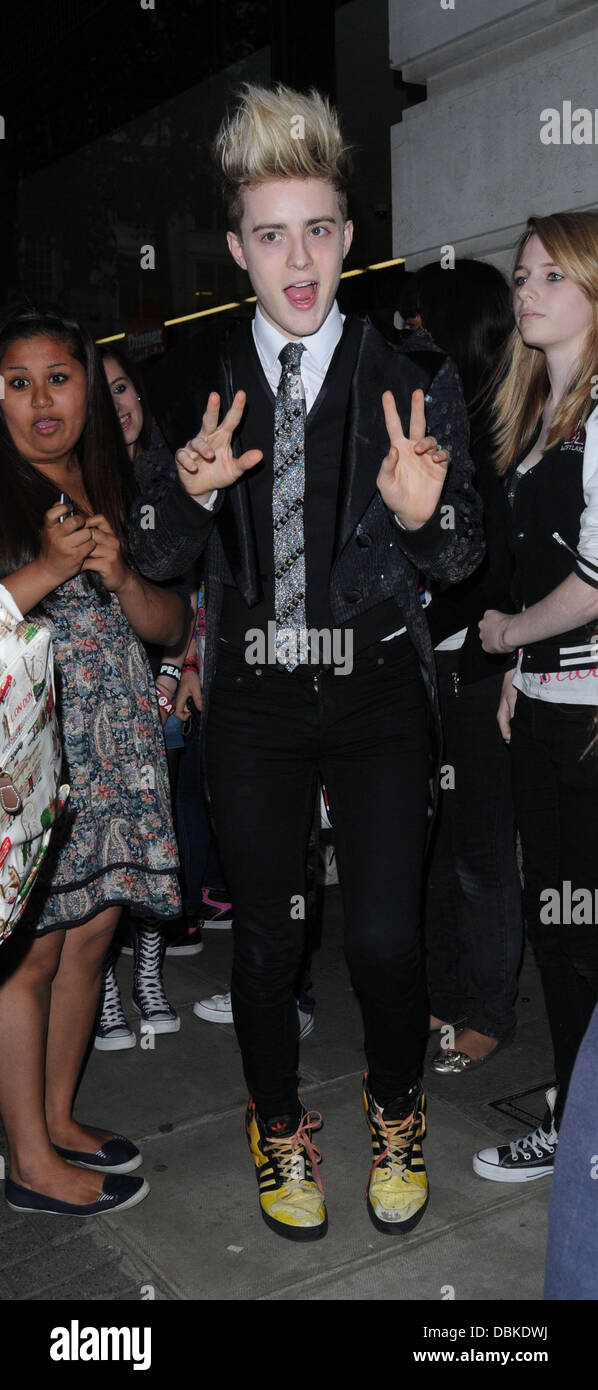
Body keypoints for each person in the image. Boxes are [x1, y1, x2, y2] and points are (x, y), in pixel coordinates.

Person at [129, 83, 484, 1242]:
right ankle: (276, 1126)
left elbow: (460, 551)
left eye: (318, 229)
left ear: (346, 237)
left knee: (383, 936)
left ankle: (395, 1112)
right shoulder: (194, 376)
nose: (298, 258)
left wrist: (428, 521)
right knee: (272, 940)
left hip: (379, 687)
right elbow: (157, 558)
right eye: (270, 233)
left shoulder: (411, 369)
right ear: (236, 247)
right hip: (257, 701)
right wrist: (183, 497)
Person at [0, 303, 186, 1217]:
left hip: (116, 763)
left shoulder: (119, 485)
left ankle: (56, 1117)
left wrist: (119, 576)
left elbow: (170, 627)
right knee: (28, 959)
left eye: (59, 378)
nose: (41, 400)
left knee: (91, 941)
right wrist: (42, 568)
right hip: (30, 771)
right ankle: (29, 1163)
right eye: (18, 382)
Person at [472, 210, 598, 1181]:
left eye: (550, 276)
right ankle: (577, 1113)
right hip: (552, 708)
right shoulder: (535, 421)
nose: (526, 291)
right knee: (560, 926)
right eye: (521, 275)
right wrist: (521, 669)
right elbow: (537, 570)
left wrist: (510, 637)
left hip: (591, 718)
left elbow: (593, 582)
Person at [411, 261, 523, 1070]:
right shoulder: (437, 424)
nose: (410, 333)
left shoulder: (505, 432)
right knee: (437, 849)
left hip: (486, 670)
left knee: (481, 854)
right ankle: (445, 998)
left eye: (425, 321)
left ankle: (486, 1008)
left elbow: (495, 567)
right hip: (428, 673)